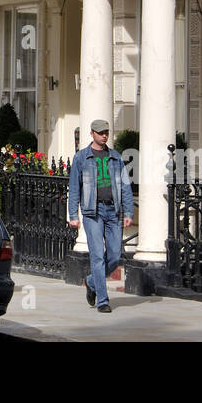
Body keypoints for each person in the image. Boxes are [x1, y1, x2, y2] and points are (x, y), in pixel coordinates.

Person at [67, 119, 134, 312]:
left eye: (106, 132)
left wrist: (128, 211)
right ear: (92, 134)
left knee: (114, 255)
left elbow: (125, 186)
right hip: (92, 212)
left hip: (113, 211)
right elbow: (74, 188)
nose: (104, 135)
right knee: (97, 256)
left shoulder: (115, 157)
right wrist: (73, 215)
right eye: (100, 132)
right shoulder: (81, 158)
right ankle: (103, 301)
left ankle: (91, 282)